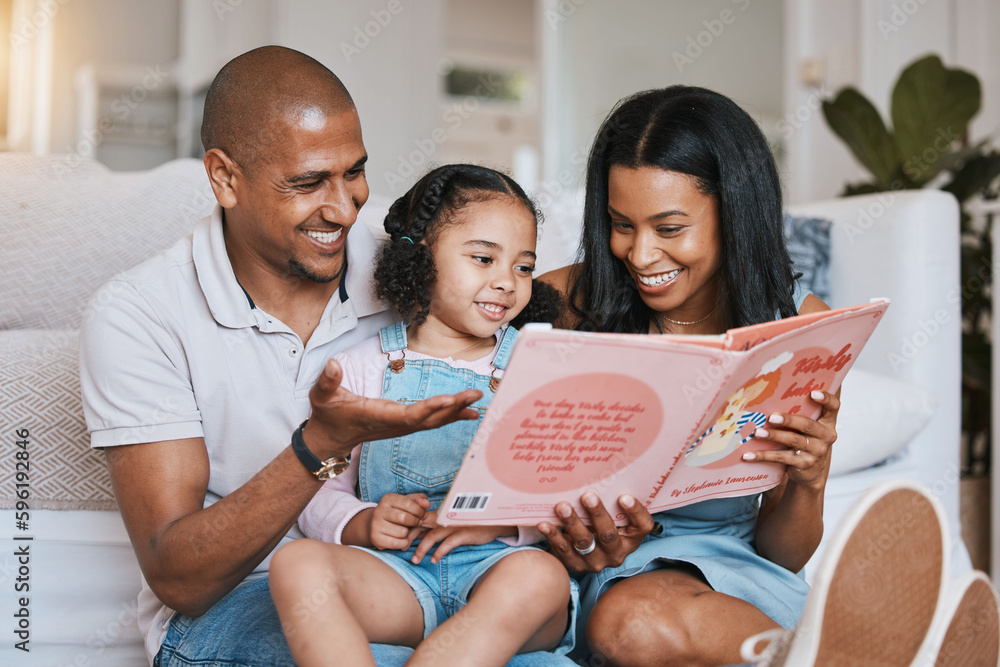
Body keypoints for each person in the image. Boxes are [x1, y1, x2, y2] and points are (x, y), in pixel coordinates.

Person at [78, 46, 530, 667]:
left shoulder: (414, 271)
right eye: (308, 182)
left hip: (413, 580)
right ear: (225, 178)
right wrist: (317, 445)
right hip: (240, 603)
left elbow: (529, 293)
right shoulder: (140, 315)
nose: (343, 209)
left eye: (355, 172)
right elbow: (181, 577)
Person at [536, 85, 841, 666]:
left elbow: (783, 556)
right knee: (630, 620)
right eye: (620, 224)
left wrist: (810, 480)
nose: (641, 254)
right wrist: (564, 537)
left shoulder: (800, 327)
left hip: (726, 575)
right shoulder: (562, 301)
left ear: (735, 212)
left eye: (669, 228)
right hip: (595, 578)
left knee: (639, 622)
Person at [269, 164, 576, 666]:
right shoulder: (360, 369)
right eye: (483, 259)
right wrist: (363, 523)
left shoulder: (539, 364)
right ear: (420, 258)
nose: (507, 283)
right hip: (399, 576)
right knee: (296, 564)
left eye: (523, 267)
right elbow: (317, 490)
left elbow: (563, 487)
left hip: (499, 573)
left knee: (541, 578)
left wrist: (497, 525)